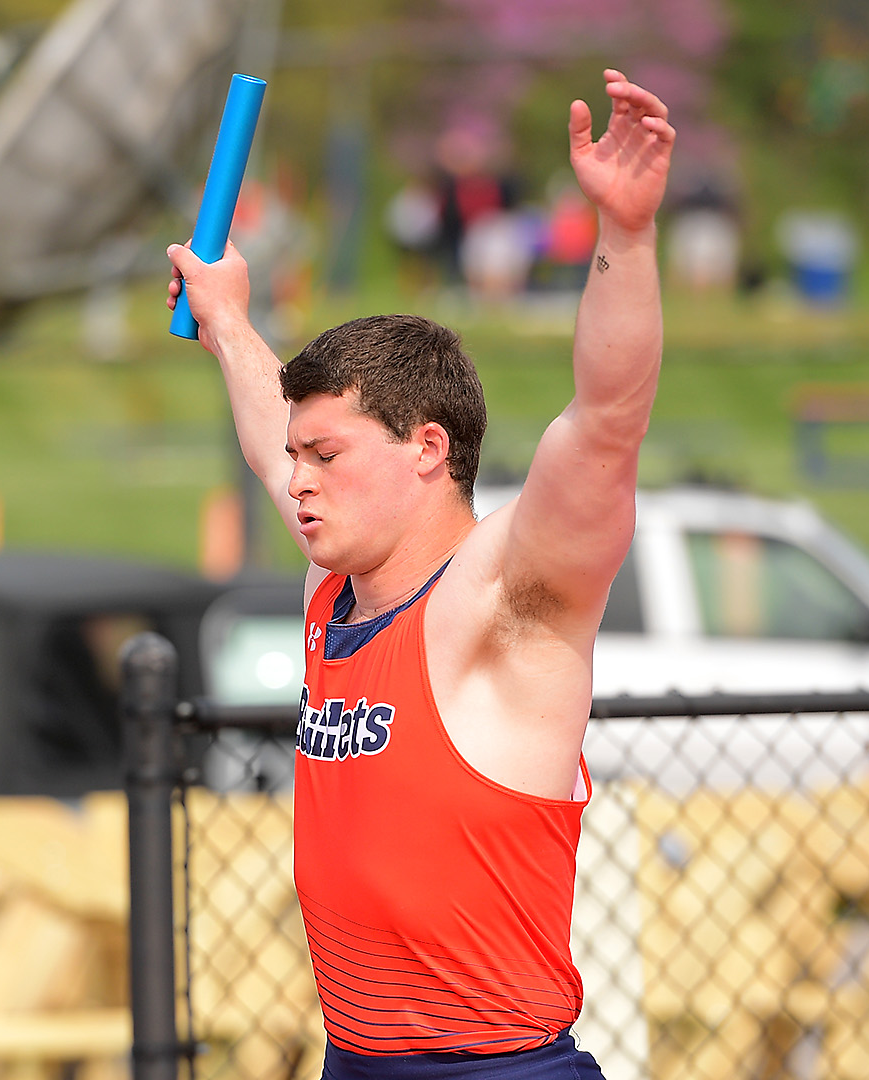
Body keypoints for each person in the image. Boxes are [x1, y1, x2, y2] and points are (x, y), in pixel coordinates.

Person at [165, 68, 673, 1080]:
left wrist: (624, 235)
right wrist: (227, 321)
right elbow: (275, 436)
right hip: (355, 1061)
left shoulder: (502, 607)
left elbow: (607, 426)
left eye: (330, 458)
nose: (297, 484)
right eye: (300, 460)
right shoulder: (334, 583)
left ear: (428, 450)